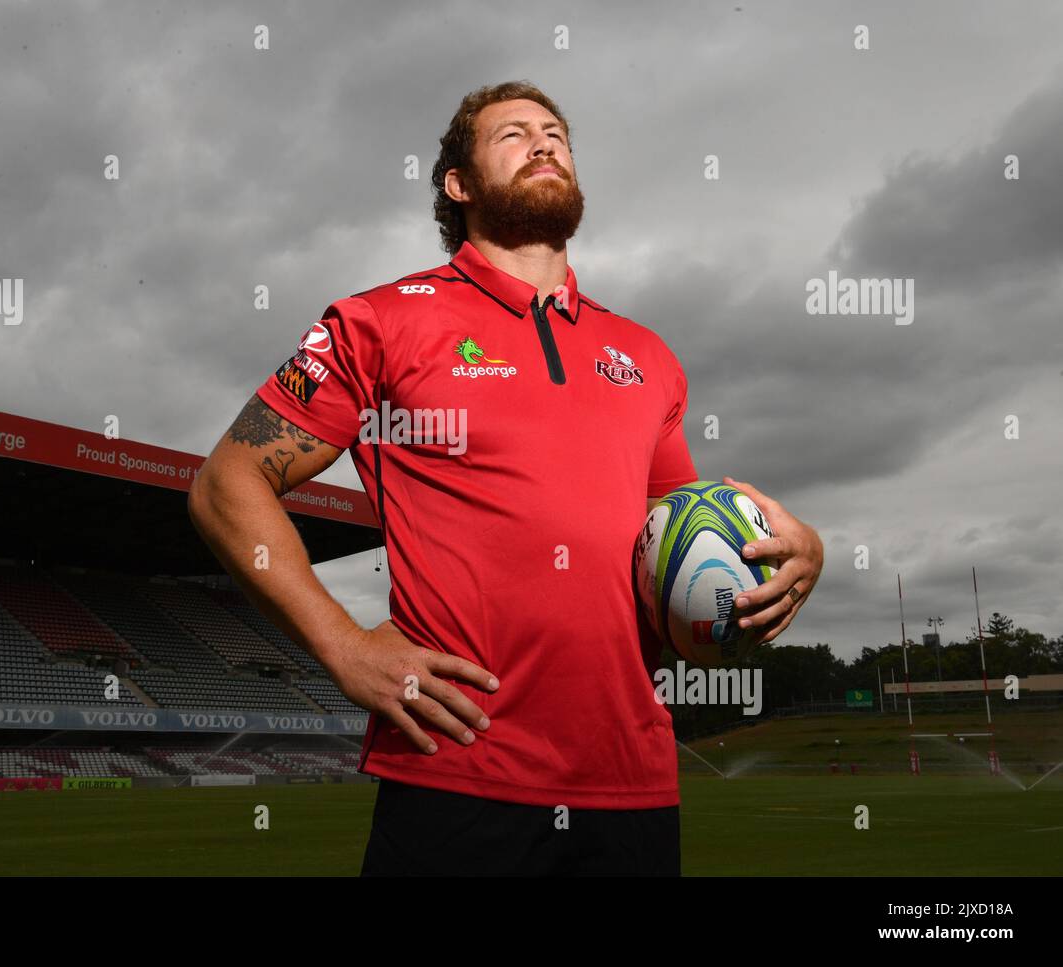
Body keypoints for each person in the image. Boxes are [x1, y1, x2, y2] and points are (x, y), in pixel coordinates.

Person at [188, 80, 823, 876]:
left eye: (556, 132)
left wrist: (794, 560)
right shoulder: (381, 321)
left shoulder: (649, 356)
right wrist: (345, 646)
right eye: (514, 134)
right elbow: (226, 481)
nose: (545, 142)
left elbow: (672, 559)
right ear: (459, 185)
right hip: (457, 773)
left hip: (632, 785)